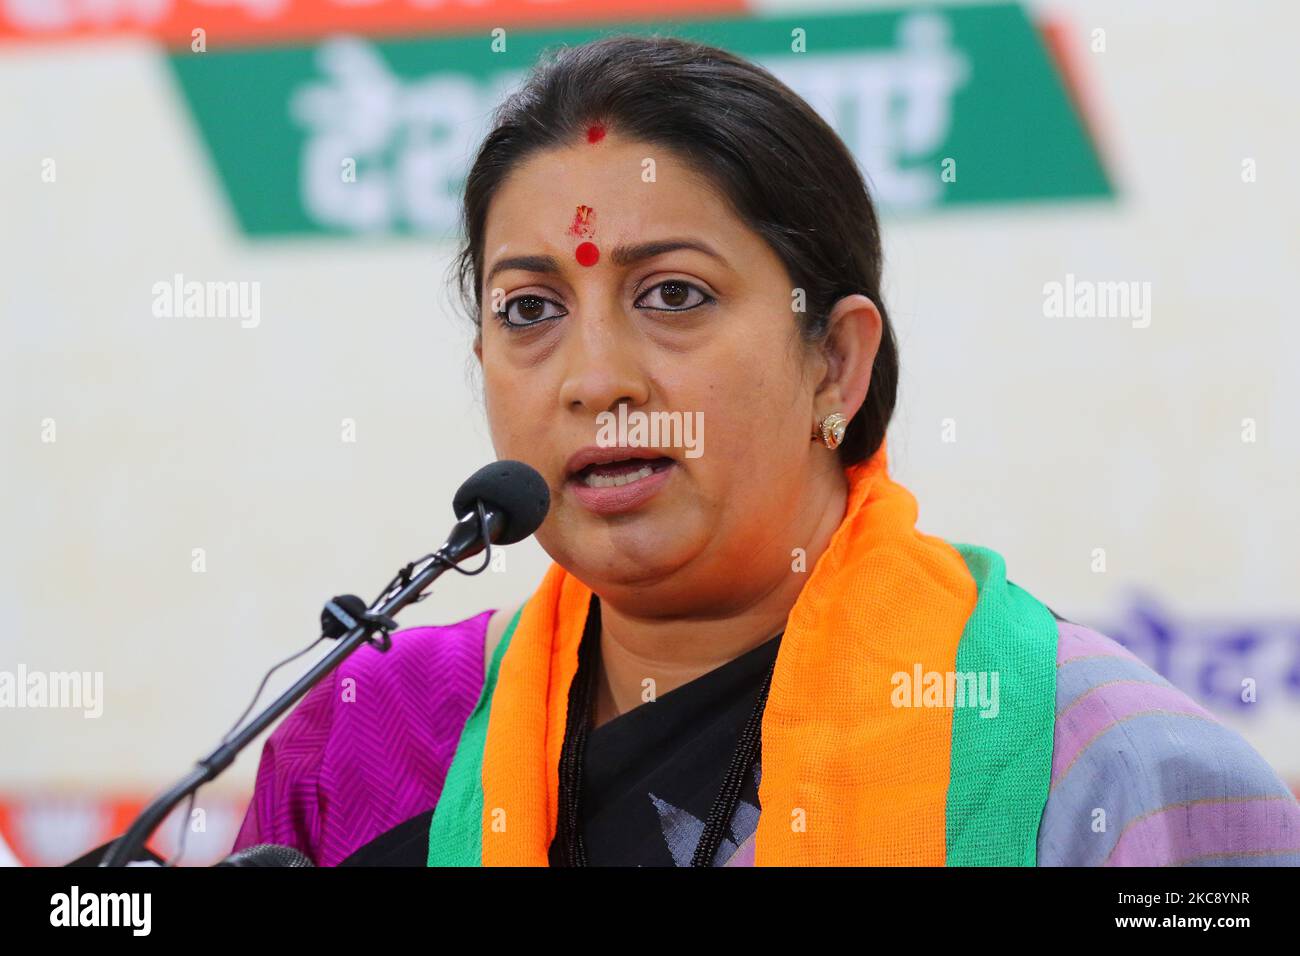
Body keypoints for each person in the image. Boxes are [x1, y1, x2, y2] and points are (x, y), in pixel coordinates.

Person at [232, 34, 1300, 867]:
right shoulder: (369, 740)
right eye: (529, 308)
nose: (594, 377)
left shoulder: (1101, 764)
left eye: (674, 295)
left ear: (834, 363)